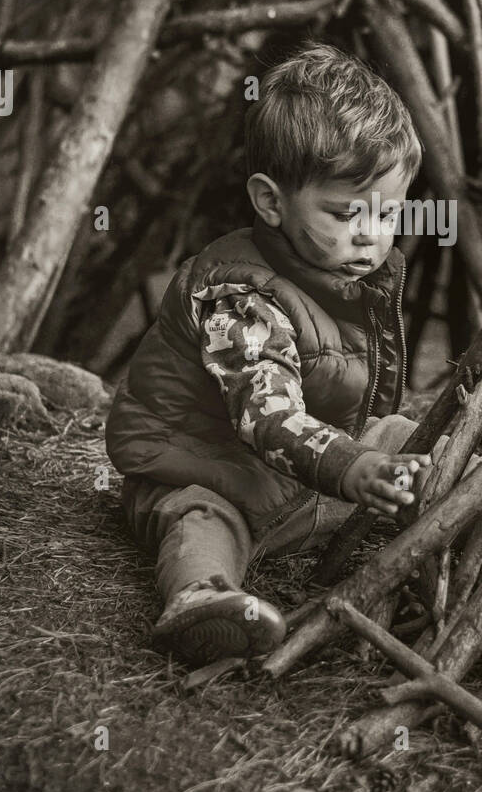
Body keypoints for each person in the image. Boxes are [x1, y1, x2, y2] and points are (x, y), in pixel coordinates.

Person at [106, 44, 434, 668]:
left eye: (388, 212)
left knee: (406, 439)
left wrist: (369, 455)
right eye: (345, 213)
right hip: (203, 471)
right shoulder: (242, 299)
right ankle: (204, 602)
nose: (371, 233)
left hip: (292, 481)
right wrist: (349, 466)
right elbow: (266, 416)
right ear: (270, 201)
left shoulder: (334, 272)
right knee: (202, 521)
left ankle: (472, 493)